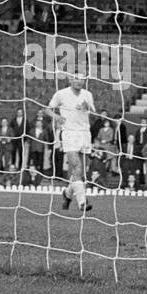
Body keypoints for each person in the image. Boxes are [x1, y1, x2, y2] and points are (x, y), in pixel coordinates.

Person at [47, 73, 96, 213]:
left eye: (81, 79)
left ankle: (67, 194)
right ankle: (82, 202)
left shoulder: (87, 94)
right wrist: (56, 116)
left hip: (85, 133)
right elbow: (47, 109)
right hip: (69, 133)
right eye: (76, 78)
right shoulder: (61, 94)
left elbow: (94, 111)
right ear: (70, 80)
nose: (79, 81)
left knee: (79, 171)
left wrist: (87, 106)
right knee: (76, 166)